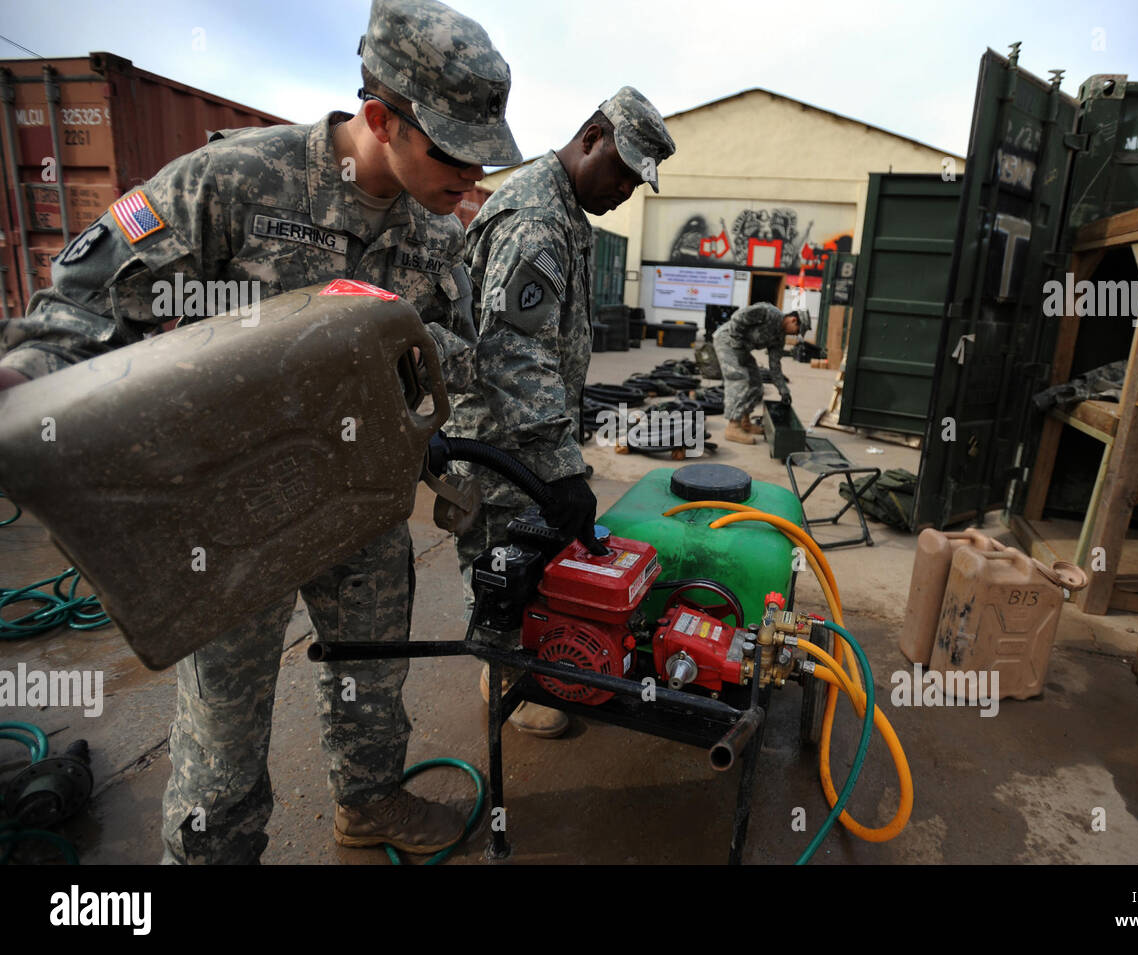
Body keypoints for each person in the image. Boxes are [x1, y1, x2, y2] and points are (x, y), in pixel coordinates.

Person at [0, 0, 521, 863]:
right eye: (452, 150)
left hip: (361, 502)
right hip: (238, 515)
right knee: (225, 719)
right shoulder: (238, 181)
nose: (470, 176)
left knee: (371, 675)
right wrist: (25, 385)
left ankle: (367, 800)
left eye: (482, 155)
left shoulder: (438, 232)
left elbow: (453, 350)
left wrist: (428, 362)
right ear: (381, 117)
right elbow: (84, 304)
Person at [449, 87, 675, 737]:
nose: (625, 192)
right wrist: (560, 462)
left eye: (637, 184)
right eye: (622, 173)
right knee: (500, 568)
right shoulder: (537, 217)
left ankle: (521, 664)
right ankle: (501, 680)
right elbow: (512, 352)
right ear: (591, 137)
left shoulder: (567, 212)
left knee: (529, 558)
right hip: (493, 437)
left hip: (522, 434)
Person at [713, 304, 808, 444]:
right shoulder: (768, 312)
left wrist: (783, 390)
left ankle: (745, 422)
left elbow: (775, 366)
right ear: (793, 320)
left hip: (741, 348)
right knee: (740, 379)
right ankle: (732, 426)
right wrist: (737, 344)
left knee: (756, 384)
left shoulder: (779, 338)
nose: (795, 334)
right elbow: (737, 318)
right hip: (727, 341)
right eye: (797, 331)